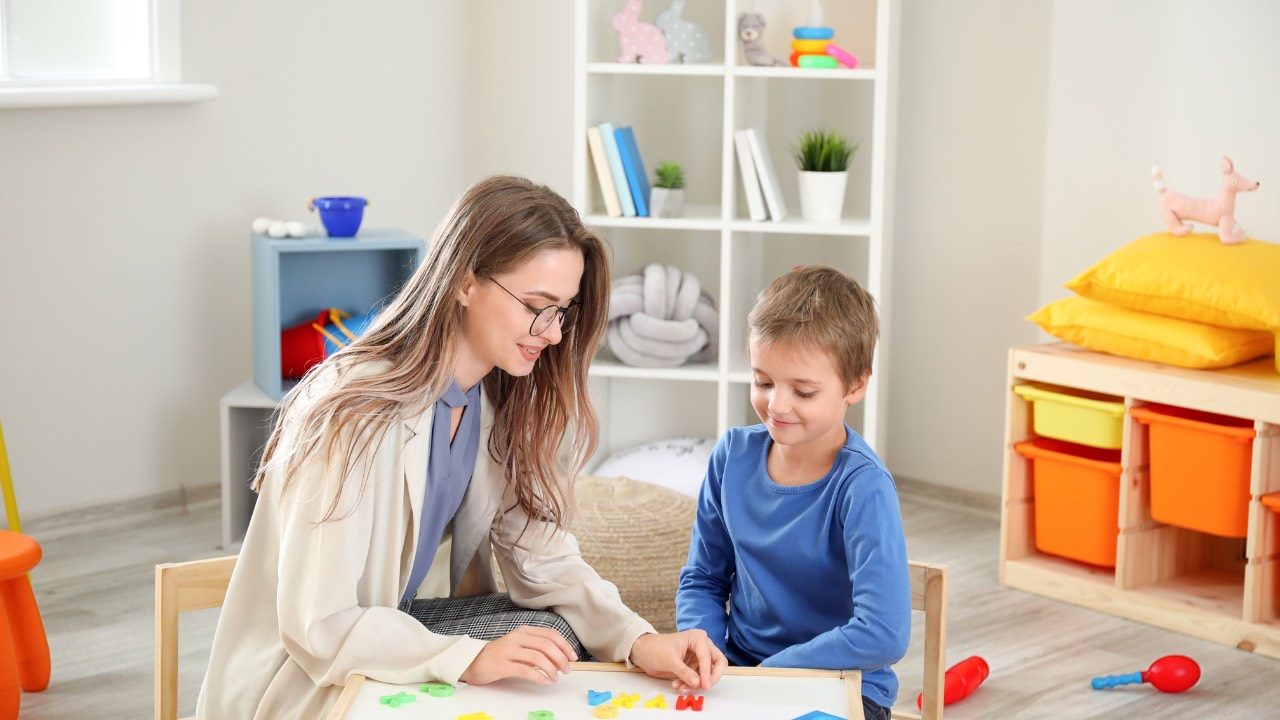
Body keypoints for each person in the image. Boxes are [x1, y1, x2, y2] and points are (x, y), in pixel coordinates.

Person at [199, 176, 726, 719]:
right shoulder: (347, 412)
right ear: (464, 282)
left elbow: (541, 559)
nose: (553, 334)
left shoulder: (494, 399)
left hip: (392, 624)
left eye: (563, 310)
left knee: (559, 637)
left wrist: (640, 641)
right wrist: (470, 657)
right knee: (531, 657)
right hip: (305, 668)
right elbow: (320, 626)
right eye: (536, 306)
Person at [675, 265, 910, 720]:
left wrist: (773, 673)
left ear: (856, 385)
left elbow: (883, 632)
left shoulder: (863, 487)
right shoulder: (731, 457)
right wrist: (702, 643)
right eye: (763, 382)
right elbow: (704, 578)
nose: (777, 405)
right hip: (739, 674)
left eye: (803, 392)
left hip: (844, 684)